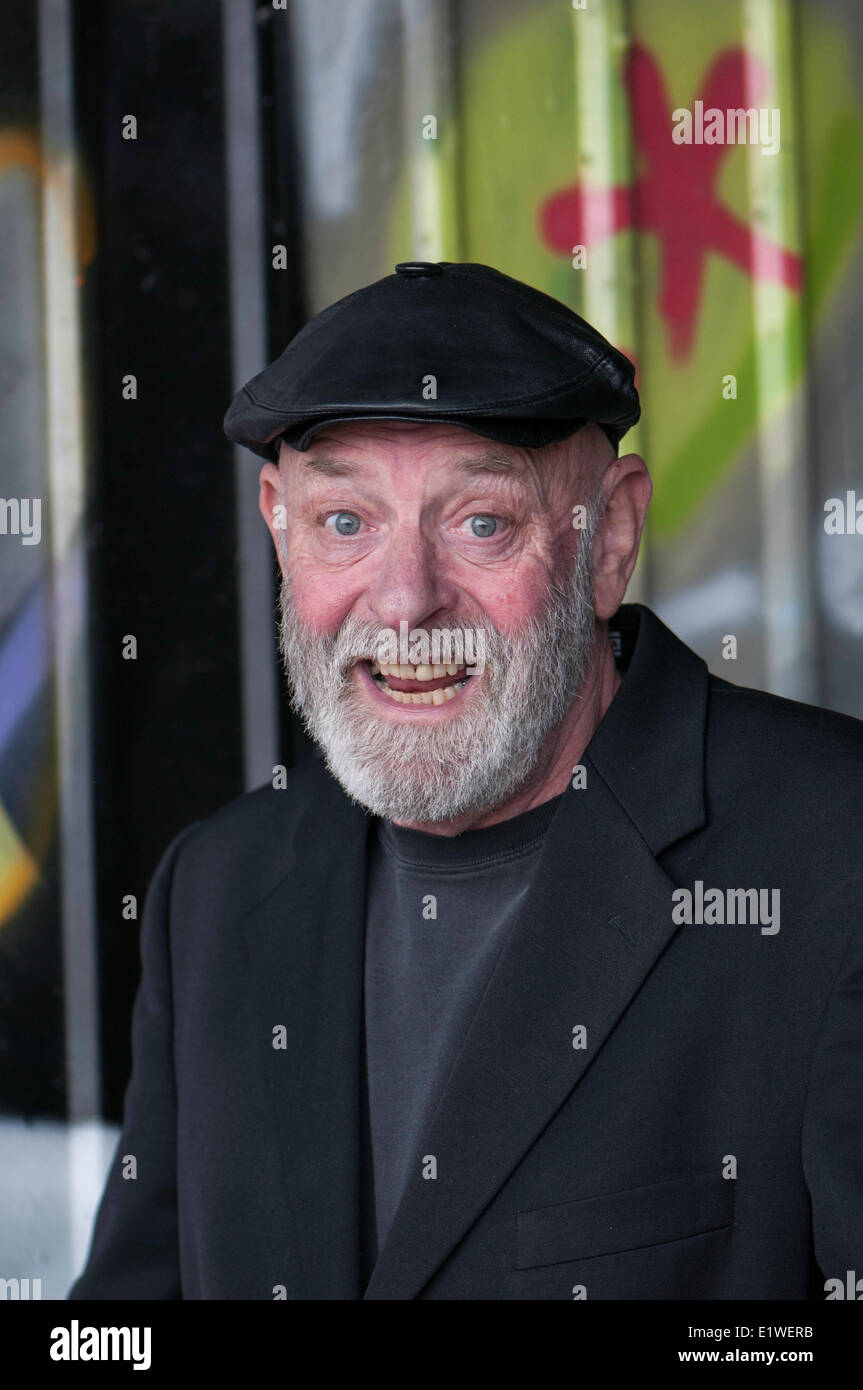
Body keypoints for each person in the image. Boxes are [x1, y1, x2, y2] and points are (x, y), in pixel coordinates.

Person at [69, 262, 863, 1300]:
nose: (404, 601)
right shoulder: (216, 891)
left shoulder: (830, 851)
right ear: (278, 522)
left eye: (478, 521)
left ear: (608, 535)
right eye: (344, 523)